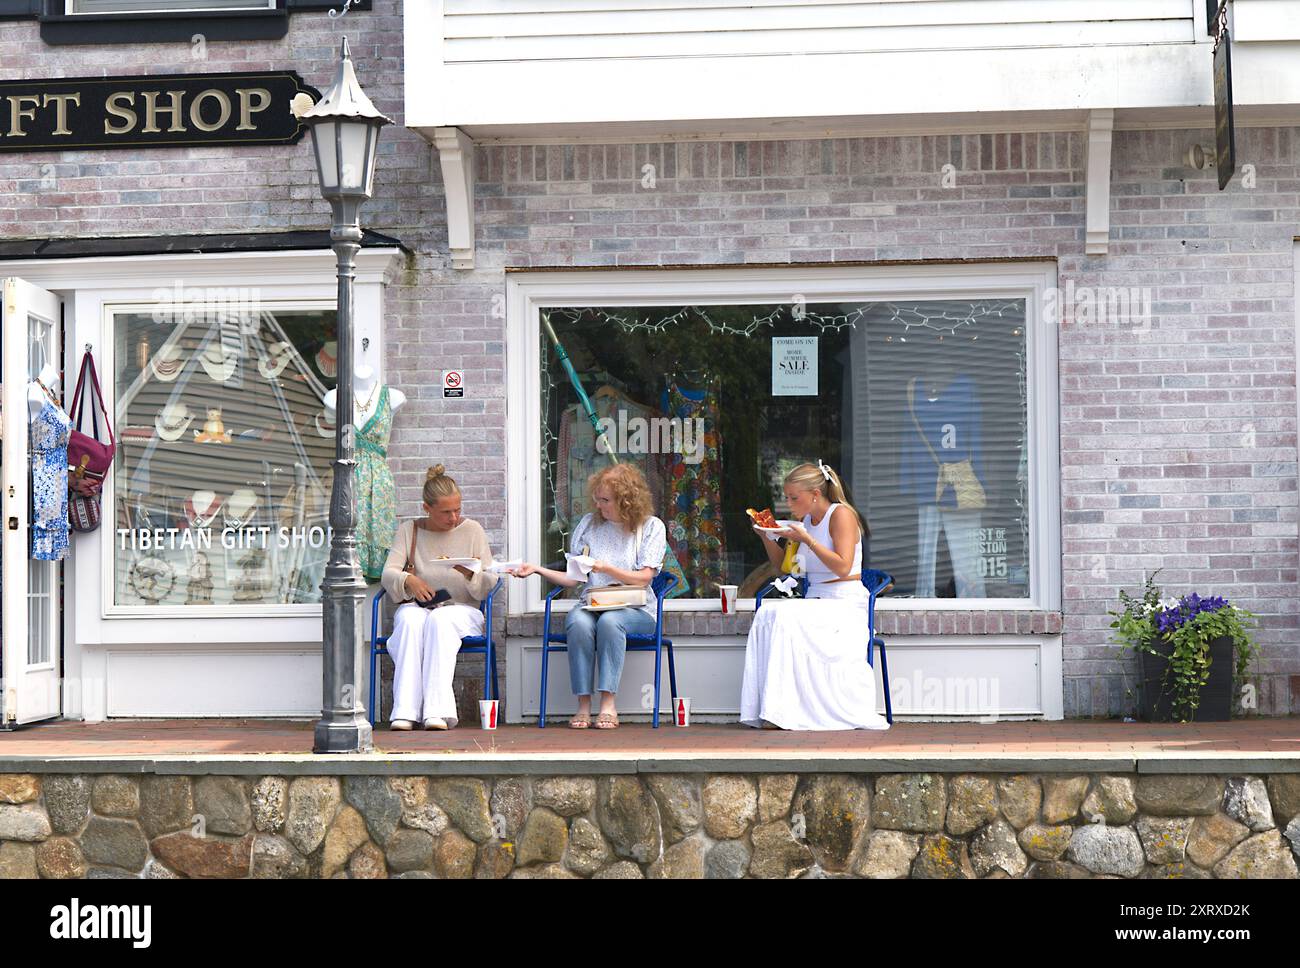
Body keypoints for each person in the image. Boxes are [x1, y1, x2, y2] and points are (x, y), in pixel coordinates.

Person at [510, 464, 667, 729]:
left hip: (637, 609)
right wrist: (536, 569)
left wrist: (606, 568)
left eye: (605, 500)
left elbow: (645, 578)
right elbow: (574, 579)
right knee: (578, 621)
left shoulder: (650, 527)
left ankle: (608, 703)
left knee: (610, 622)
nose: (599, 505)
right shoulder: (589, 525)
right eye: (597, 498)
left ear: (626, 500)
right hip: (593, 604)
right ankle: (583, 704)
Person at [740, 460, 889, 730]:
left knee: (784, 615)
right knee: (768, 612)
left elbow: (843, 567)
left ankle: (783, 711)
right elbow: (784, 567)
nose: (790, 504)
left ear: (815, 495)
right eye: (787, 497)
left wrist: (807, 539)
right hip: (817, 602)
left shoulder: (841, 515)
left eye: (794, 498)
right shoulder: (806, 521)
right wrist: (766, 536)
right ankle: (775, 708)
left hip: (844, 603)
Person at [379, 465, 497, 730]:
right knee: (409, 620)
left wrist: (470, 574)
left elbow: (490, 581)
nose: (454, 517)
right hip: (421, 608)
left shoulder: (473, 531)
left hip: (462, 610)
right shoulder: (410, 531)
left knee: (441, 620)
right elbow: (389, 573)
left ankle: (437, 711)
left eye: (457, 509)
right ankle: (405, 712)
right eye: (446, 512)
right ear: (426, 508)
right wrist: (409, 579)